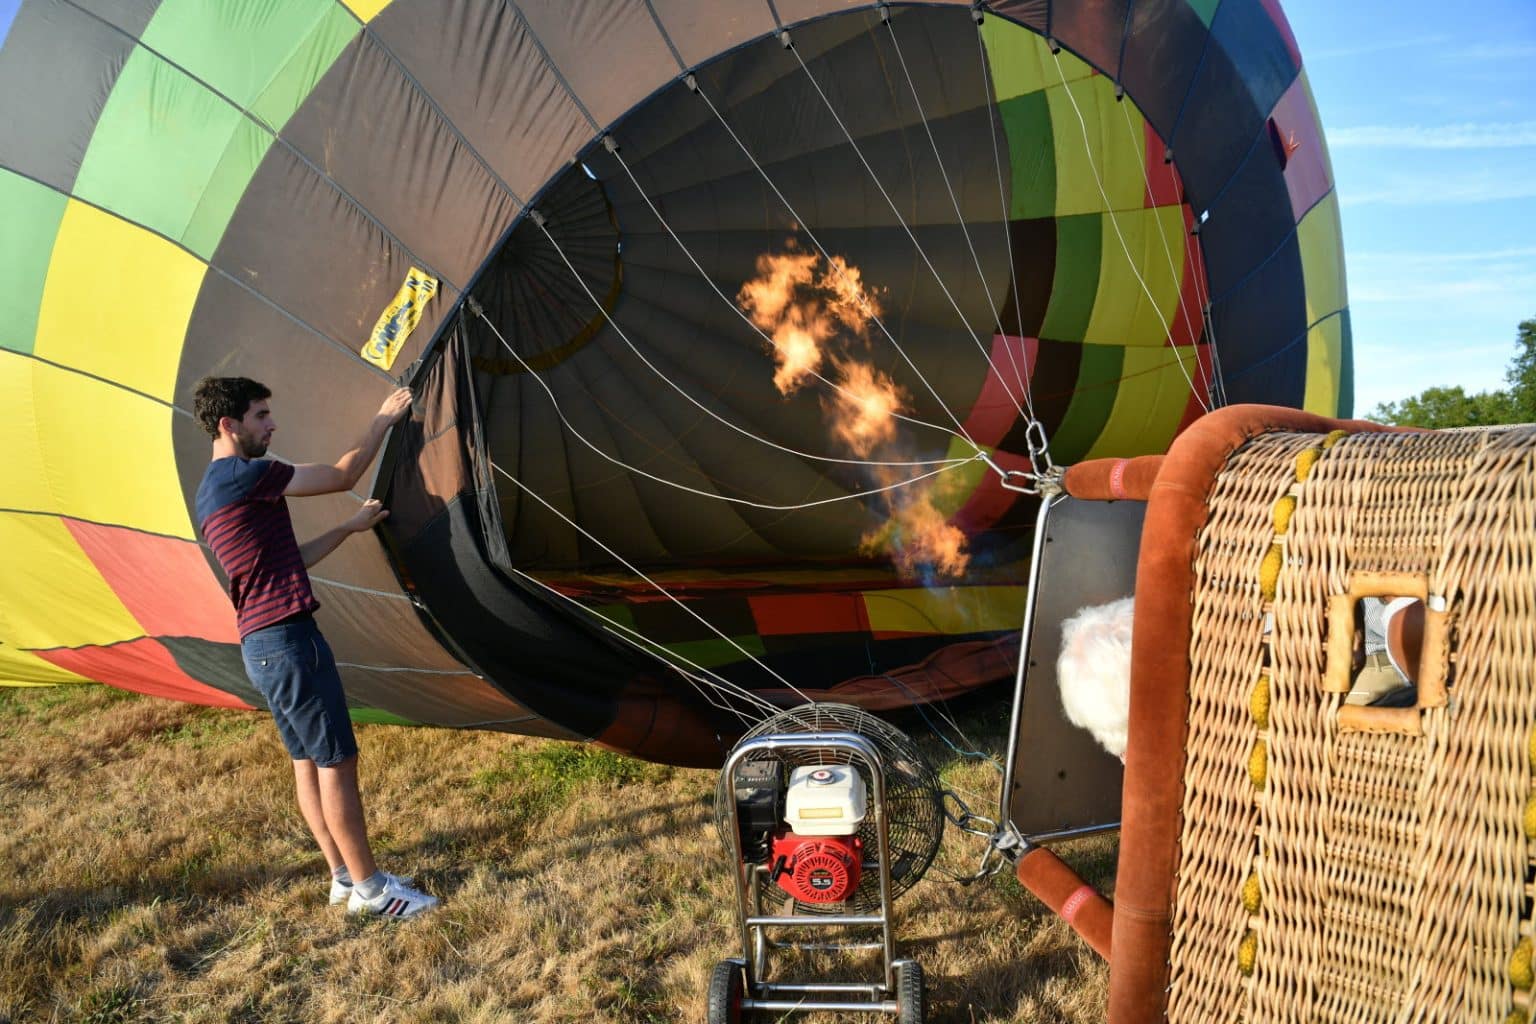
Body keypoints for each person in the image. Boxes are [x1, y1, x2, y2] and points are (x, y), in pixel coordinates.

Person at [192, 376, 439, 919]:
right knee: (337, 761)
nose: (272, 425)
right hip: (289, 641)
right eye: (261, 416)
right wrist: (383, 418)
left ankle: (343, 878)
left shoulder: (210, 491)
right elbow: (344, 473)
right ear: (228, 425)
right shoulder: (247, 473)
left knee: (306, 761)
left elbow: (286, 563)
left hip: (259, 645)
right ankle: (375, 892)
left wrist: (349, 529)